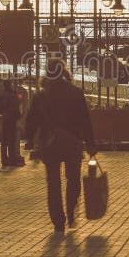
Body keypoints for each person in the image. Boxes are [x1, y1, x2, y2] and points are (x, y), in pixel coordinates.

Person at [25, 59, 97, 233]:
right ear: (64, 71)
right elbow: (85, 121)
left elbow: (31, 120)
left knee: (53, 183)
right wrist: (90, 144)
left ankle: (58, 221)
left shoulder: (41, 95)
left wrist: (29, 140)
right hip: (72, 142)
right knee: (73, 179)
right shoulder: (76, 93)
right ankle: (71, 211)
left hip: (49, 143)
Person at [0, 79, 21, 166]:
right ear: (10, 85)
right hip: (12, 119)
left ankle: (4, 160)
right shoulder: (13, 95)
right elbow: (17, 107)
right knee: (12, 140)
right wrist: (18, 116)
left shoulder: (1, 95)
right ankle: (12, 160)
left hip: (5, 119)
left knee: (4, 140)